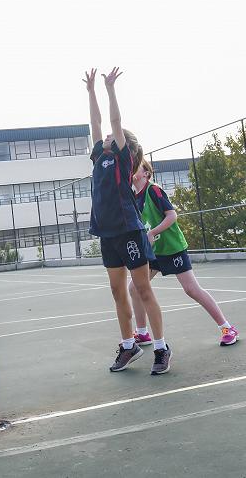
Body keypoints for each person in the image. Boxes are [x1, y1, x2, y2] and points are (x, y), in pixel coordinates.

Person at [84, 67, 171, 375]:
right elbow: (95, 123)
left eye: (112, 136)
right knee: (117, 291)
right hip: (107, 233)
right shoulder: (99, 157)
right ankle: (127, 345)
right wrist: (90, 91)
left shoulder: (122, 157)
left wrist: (110, 89)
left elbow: (114, 122)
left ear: (126, 148)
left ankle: (161, 348)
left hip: (129, 231)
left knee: (142, 288)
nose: (106, 136)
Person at [128, 159, 239, 346]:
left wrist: (153, 232)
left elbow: (172, 215)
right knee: (134, 288)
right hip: (154, 251)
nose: (131, 169)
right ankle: (142, 333)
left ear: (146, 173)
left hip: (172, 248)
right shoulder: (133, 197)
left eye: (136, 166)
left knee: (191, 289)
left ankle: (227, 327)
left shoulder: (153, 190)